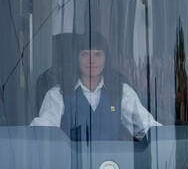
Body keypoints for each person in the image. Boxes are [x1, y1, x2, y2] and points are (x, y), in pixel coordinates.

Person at [30, 32, 161, 140]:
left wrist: (167, 138)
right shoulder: (58, 93)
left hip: (113, 166)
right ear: (76, 58)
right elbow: (43, 131)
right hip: (70, 168)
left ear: (106, 59)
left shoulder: (122, 91)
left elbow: (147, 125)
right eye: (85, 54)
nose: (91, 60)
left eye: (98, 54)